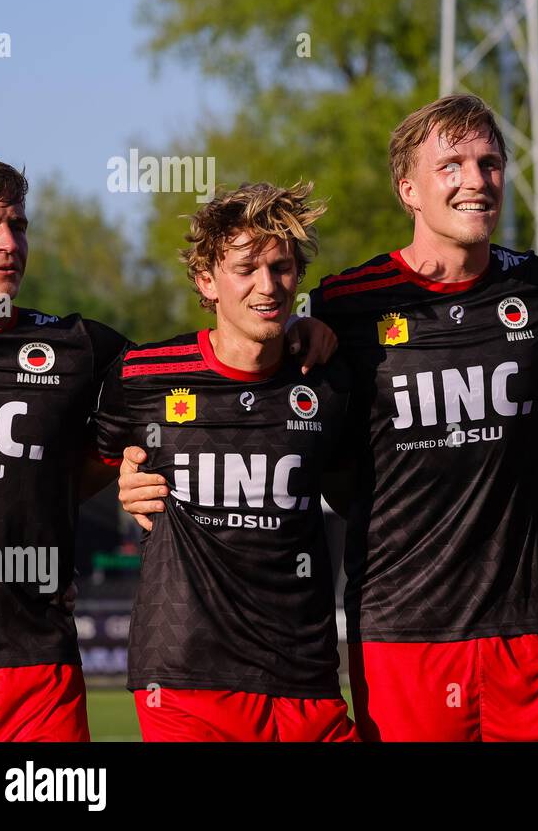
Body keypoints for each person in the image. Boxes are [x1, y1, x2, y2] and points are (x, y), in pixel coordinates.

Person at [124, 94, 538, 741]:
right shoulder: (343, 308)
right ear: (408, 189)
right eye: (451, 165)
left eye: (489, 162)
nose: (475, 181)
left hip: (528, 633)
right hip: (401, 634)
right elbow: (239, 388)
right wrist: (138, 467)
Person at [95, 182, 357, 741]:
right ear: (206, 280)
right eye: (247, 269)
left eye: (283, 268)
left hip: (305, 676)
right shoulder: (142, 376)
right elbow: (91, 461)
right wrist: (123, 481)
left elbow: (361, 490)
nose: (268, 286)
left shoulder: (330, 377)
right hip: (184, 676)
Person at [0, 154, 127, 741]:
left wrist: (296, 332)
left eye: (18, 225)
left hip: (37, 665)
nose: (8, 243)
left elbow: (195, 377)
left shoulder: (77, 347)